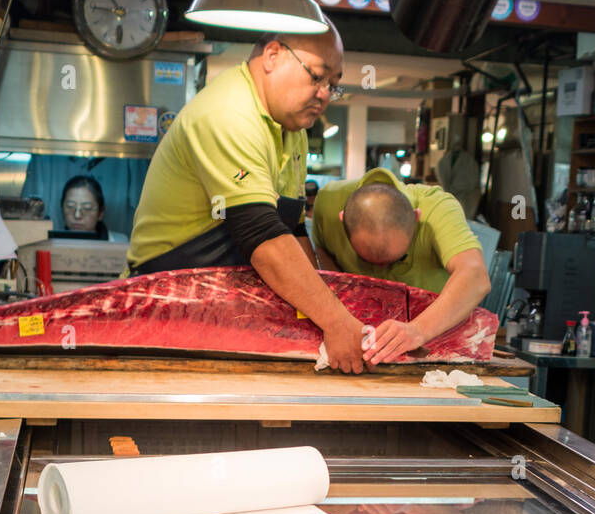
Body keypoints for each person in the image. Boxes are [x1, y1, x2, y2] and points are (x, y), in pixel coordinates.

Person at [126, 27, 368, 372]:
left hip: (227, 318)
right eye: (317, 76)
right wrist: (336, 321)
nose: (324, 94)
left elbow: (293, 230)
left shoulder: (292, 131)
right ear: (272, 56)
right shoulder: (228, 113)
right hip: (163, 311)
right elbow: (263, 238)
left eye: (333, 84)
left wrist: (321, 311)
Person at [313, 167, 491, 364]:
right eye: (367, 261)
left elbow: (475, 276)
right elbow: (323, 253)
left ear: (417, 218)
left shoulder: (438, 208)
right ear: (341, 218)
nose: (381, 274)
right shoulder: (328, 203)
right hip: (357, 342)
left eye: (396, 260)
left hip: (433, 346)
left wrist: (418, 330)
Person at [60, 175, 126, 240]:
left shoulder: (120, 243)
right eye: (70, 206)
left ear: (101, 213)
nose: (77, 215)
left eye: (87, 208)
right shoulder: (51, 242)